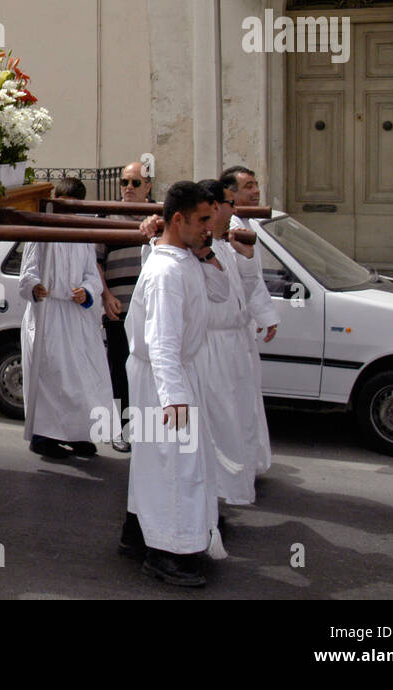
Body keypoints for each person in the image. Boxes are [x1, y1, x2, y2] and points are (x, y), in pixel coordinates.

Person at [118, 180, 221, 587]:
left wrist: (206, 250)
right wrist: (174, 395)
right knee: (174, 465)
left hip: (176, 373)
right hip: (165, 379)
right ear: (178, 219)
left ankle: (139, 534)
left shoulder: (182, 258)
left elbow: (221, 289)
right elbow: (161, 339)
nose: (208, 228)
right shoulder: (166, 271)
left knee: (162, 461)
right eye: (202, 220)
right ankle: (169, 552)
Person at [19, 177, 111, 459]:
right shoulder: (41, 234)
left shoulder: (82, 236)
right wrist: (34, 286)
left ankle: (79, 434)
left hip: (76, 316)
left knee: (82, 379)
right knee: (52, 377)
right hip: (48, 313)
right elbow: (28, 273)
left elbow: (91, 275)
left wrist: (87, 291)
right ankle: (45, 436)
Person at [194, 178, 260, 506]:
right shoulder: (196, 249)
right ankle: (216, 494)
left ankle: (235, 485)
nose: (235, 211)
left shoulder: (225, 246)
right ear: (215, 207)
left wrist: (246, 259)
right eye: (230, 204)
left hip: (234, 345)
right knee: (218, 424)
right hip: (211, 348)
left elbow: (241, 297)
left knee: (238, 419)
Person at [95, 159, 155, 453]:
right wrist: (106, 296)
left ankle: (144, 430)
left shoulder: (160, 218)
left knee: (148, 372)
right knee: (118, 370)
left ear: (148, 187)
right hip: (120, 308)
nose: (128, 188)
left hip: (151, 312)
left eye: (135, 183)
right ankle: (117, 428)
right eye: (124, 182)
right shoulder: (109, 217)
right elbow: (96, 261)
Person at [222, 165, 278, 474]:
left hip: (240, 329)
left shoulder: (244, 224)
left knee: (247, 398)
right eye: (249, 186)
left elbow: (252, 278)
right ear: (231, 194)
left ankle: (248, 460)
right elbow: (237, 283)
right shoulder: (228, 227)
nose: (256, 191)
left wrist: (265, 315)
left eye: (256, 185)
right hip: (226, 334)